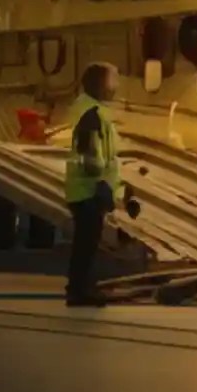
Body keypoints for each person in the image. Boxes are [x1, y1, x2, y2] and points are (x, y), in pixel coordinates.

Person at [63, 62, 139, 307]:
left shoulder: (91, 110)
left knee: (86, 244)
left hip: (87, 189)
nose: (115, 87)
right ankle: (80, 290)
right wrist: (101, 185)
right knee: (86, 245)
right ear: (100, 85)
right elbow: (90, 155)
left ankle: (82, 287)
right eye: (112, 81)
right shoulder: (92, 114)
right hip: (88, 191)